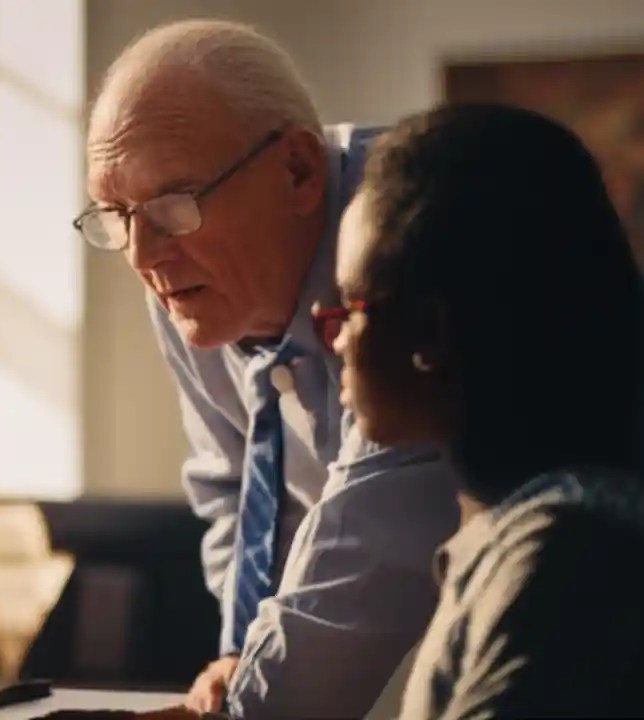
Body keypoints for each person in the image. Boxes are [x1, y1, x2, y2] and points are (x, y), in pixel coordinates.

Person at [76, 19, 460, 718]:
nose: (142, 255)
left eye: (173, 204)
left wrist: (240, 702)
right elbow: (234, 490)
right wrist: (238, 656)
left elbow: (375, 546)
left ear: (299, 171)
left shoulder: (409, 232)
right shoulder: (187, 275)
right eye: (116, 214)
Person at [319, 102, 644, 716]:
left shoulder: (569, 553)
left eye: (351, 308)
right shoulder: (525, 530)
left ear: (431, 332)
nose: (337, 337)